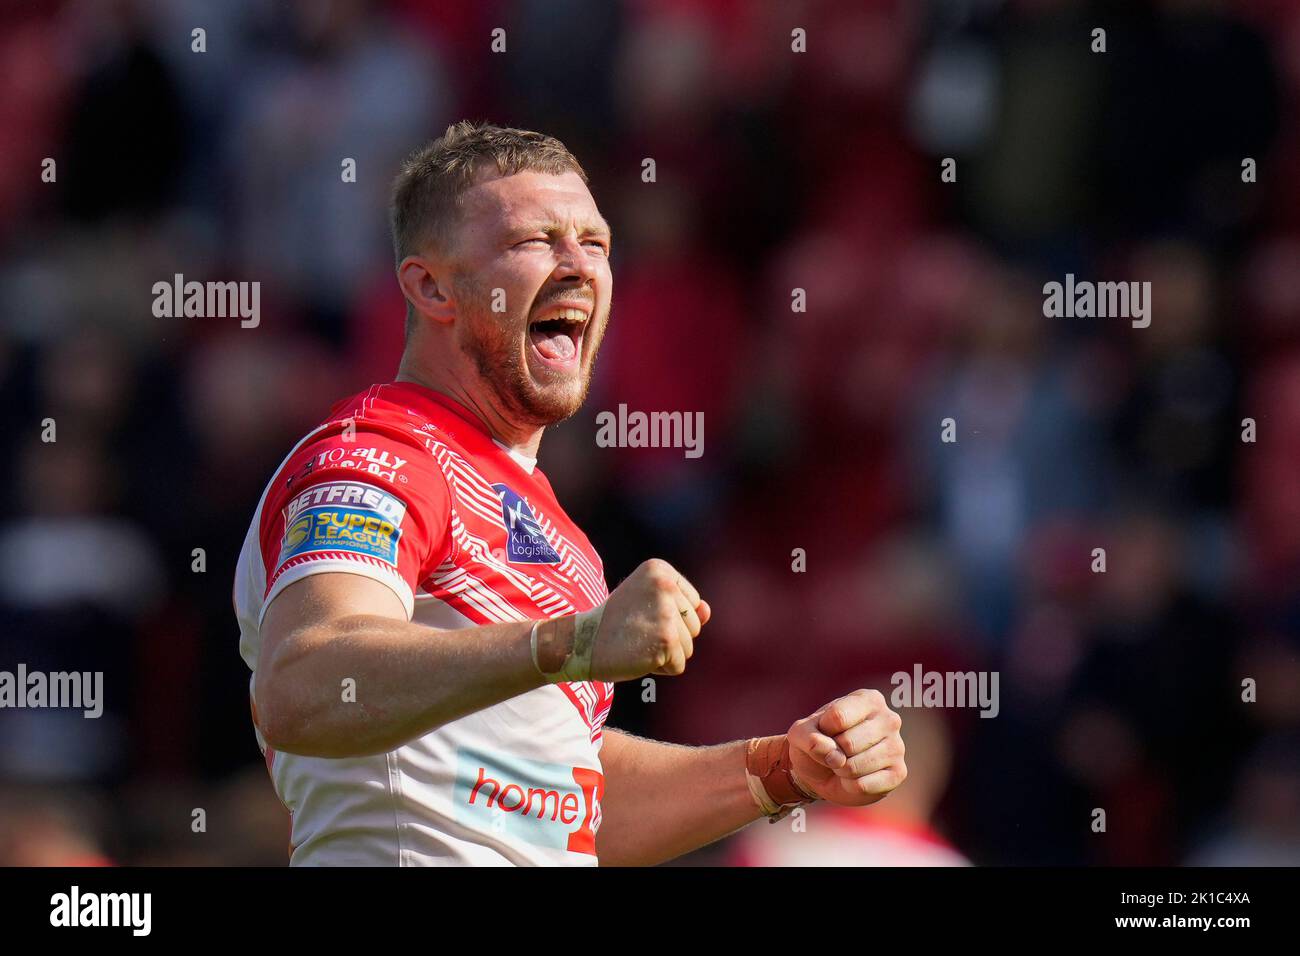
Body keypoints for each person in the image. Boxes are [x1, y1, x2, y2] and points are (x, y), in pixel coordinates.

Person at [232, 120, 907, 866]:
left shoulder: (553, 527)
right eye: (534, 241)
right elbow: (306, 684)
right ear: (431, 286)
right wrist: (571, 643)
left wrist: (781, 769)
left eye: (596, 243)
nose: (578, 265)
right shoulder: (378, 457)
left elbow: (572, 804)